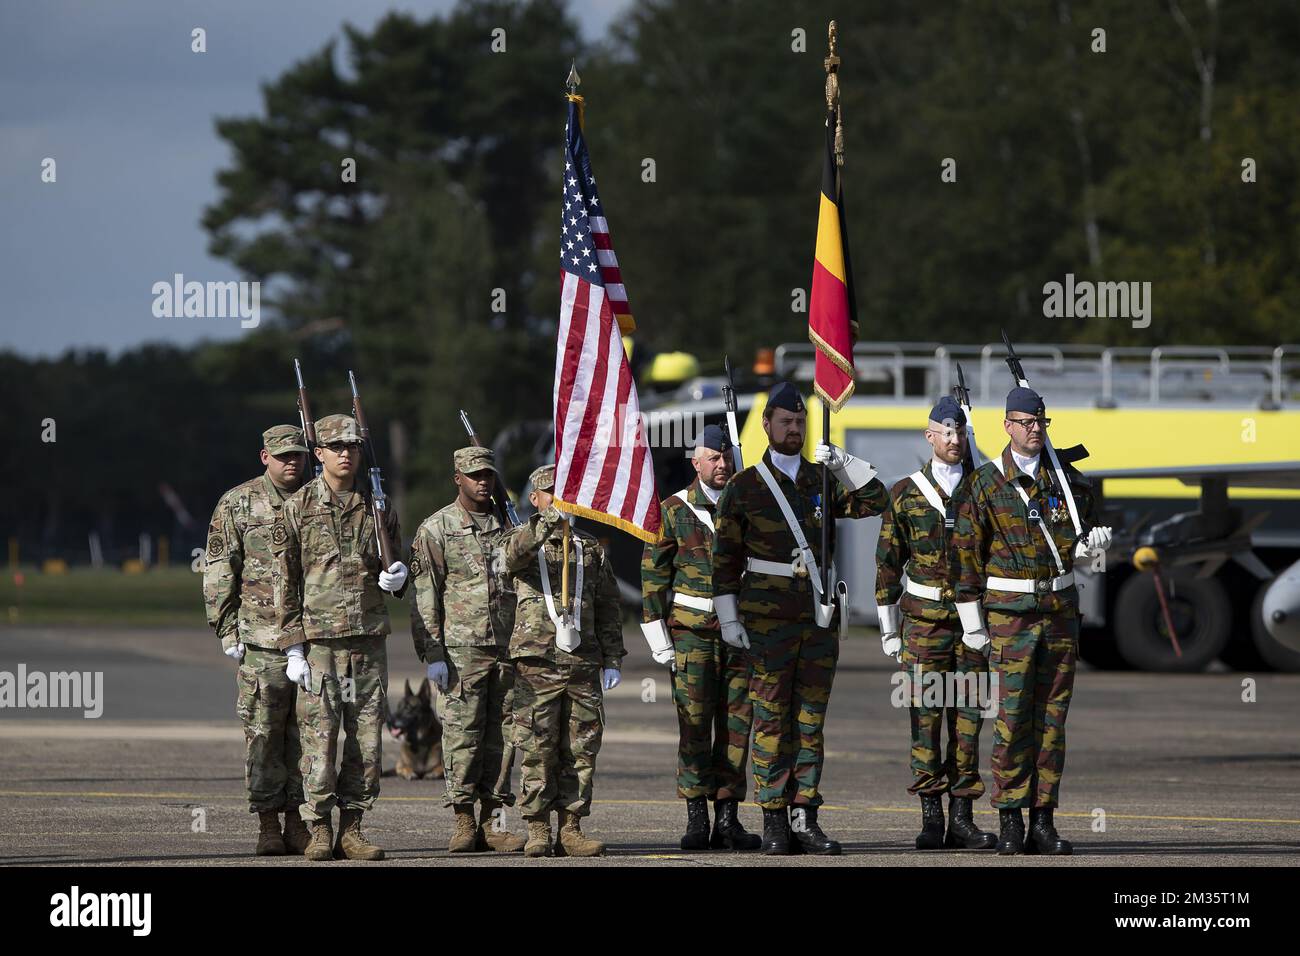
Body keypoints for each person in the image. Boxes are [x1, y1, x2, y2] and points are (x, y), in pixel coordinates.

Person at [712, 382, 888, 855]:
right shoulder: (744, 486)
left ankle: (804, 815)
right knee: (770, 719)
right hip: (765, 623)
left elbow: (877, 501)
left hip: (816, 619)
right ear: (767, 425)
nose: (794, 429)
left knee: (810, 721)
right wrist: (728, 619)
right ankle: (773, 818)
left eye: (800, 422)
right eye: (786, 422)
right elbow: (724, 559)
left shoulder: (822, 480)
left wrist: (844, 463)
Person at [950, 386, 1110, 855]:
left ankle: (1044, 819)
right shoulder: (984, 484)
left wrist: (1091, 553)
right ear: (1007, 426)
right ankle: (1010, 819)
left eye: (1040, 422)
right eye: (1024, 422)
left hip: (1059, 614)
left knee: (1052, 722)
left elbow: (1084, 550)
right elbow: (965, 556)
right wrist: (971, 621)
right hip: (1009, 618)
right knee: (1012, 720)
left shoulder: (1072, 484)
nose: (1034, 430)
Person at [280, 413, 408, 861]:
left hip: (368, 639)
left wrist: (399, 576)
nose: (346, 454)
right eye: (337, 447)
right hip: (319, 643)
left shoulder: (378, 505)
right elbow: (286, 581)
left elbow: (397, 562)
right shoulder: (299, 507)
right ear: (319, 454)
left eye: (352, 447)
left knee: (367, 740)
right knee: (319, 738)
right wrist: (292, 645)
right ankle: (318, 827)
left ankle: (353, 828)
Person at [874, 397, 996, 850]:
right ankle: (930, 816)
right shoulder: (904, 492)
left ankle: (962, 816)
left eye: (961, 432)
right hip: (922, 624)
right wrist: (888, 627)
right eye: (946, 432)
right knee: (924, 718)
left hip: (973, 624)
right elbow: (887, 562)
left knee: (968, 720)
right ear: (930, 437)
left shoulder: (985, 489)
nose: (955, 440)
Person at [640, 424, 760, 851]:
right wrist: (658, 637)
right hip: (692, 637)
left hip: (739, 637)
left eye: (726, 458)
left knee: (736, 729)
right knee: (694, 729)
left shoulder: (745, 507)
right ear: (696, 462)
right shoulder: (673, 510)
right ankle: (696, 817)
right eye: (713, 458)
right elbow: (653, 574)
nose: (722, 465)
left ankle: (727, 817)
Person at [498, 464, 624, 858]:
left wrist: (613, 656)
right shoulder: (520, 540)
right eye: (552, 492)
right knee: (538, 748)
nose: (560, 498)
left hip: (582, 662)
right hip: (537, 665)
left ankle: (571, 827)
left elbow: (607, 605)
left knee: (581, 749)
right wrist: (548, 522)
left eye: (566, 491)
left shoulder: (589, 548)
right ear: (535, 499)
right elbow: (511, 558)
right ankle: (537, 828)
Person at [203, 424, 312, 855]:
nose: (291, 462)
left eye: (298, 455)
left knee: (307, 737)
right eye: (283, 455)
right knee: (264, 734)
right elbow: (218, 568)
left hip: (312, 638)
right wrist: (226, 627)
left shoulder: (318, 500)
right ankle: (268, 823)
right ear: (264, 457)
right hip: (261, 639)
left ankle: (299, 821)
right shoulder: (238, 502)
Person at [409, 445, 524, 852]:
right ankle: (462, 820)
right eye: (474, 475)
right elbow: (425, 595)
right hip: (462, 650)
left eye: (488, 475)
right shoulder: (437, 528)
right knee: (462, 736)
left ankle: (494, 823)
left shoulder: (510, 526)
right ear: (457, 478)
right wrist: (433, 653)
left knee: (503, 738)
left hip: (508, 647)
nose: (482, 481)